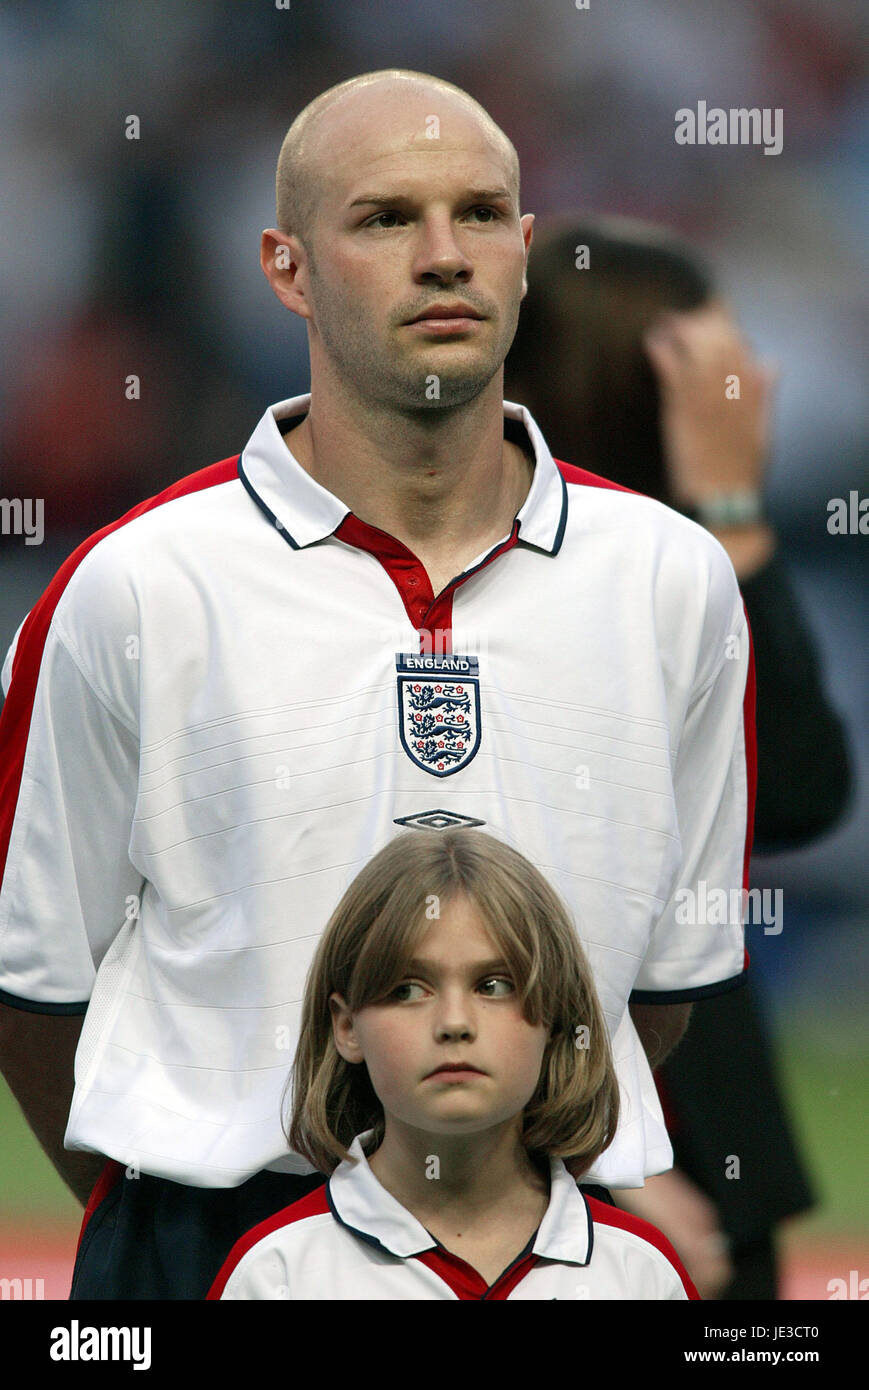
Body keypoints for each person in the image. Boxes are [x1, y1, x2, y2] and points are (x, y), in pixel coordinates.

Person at [0, 71, 754, 1299]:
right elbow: (34, 990)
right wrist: (196, 1190)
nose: (443, 256)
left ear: (523, 253)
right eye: (386, 218)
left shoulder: (670, 581)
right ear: (285, 267)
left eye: (478, 216)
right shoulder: (135, 585)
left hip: (550, 1254)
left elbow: (666, 986)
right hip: (204, 1249)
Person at [504, 214, 852, 1298]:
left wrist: (730, 520)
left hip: (693, 1147)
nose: (754, 377)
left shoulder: (677, 576)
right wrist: (588, 1155)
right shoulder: (502, 598)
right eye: (714, 358)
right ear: (637, 387)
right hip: (556, 1167)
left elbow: (793, 794)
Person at [209, 828, 698, 1300]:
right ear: (346, 1026)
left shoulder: (639, 1272)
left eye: (494, 985)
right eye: (407, 990)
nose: (454, 1023)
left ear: (554, 1016)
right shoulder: (278, 1275)